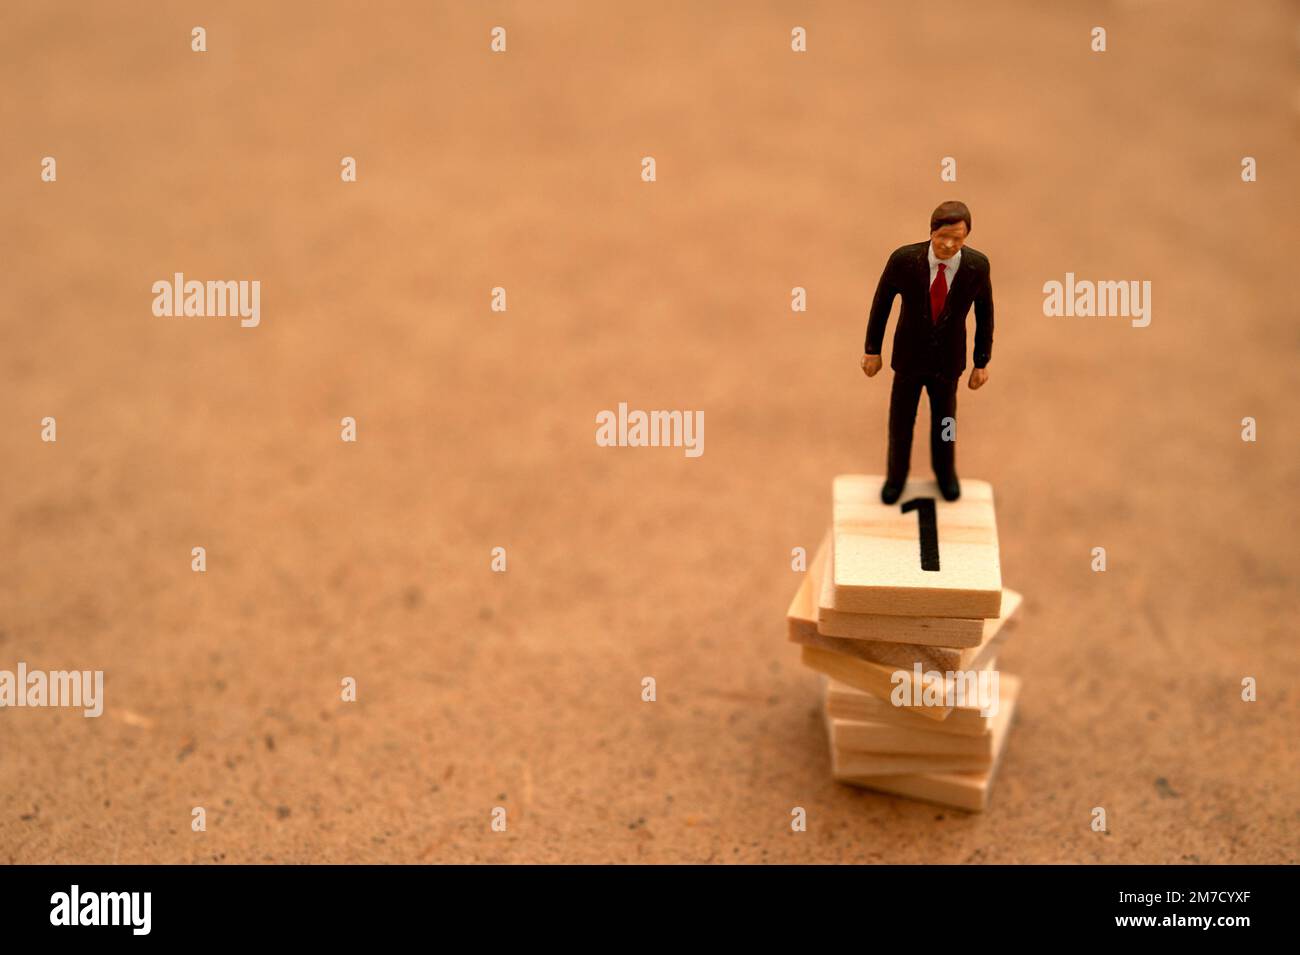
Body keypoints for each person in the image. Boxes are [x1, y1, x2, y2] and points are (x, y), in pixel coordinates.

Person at [861, 200, 994, 504]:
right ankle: (896, 477)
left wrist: (981, 362)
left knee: (946, 422)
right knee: (901, 421)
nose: (949, 244)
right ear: (931, 231)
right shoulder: (904, 260)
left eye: (957, 239)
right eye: (943, 236)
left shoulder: (976, 267)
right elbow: (881, 304)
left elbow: (985, 315)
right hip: (908, 359)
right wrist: (872, 349)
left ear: (966, 237)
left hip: (948, 364)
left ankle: (945, 473)